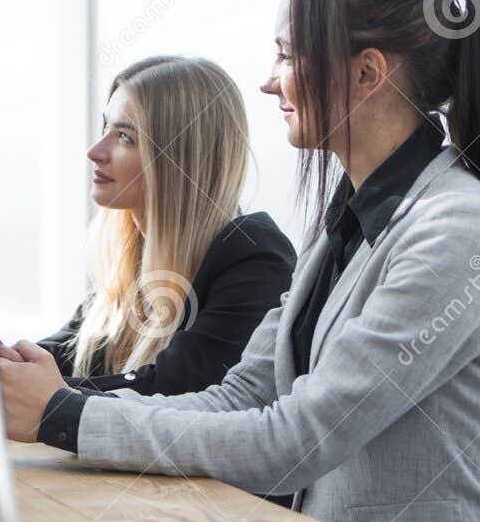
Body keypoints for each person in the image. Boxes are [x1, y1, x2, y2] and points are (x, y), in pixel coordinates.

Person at [0, 0, 480, 522]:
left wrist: (64, 416)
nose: (270, 80)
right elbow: (241, 397)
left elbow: (293, 442)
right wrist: (61, 405)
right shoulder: (348, 223)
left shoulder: (456, 229)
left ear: (367, 73)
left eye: (287, 54)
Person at [30, 56, 295, 397]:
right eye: (105, 129)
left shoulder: (254, 257)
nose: (95, 152)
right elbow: (54, 357)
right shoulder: (133, 259)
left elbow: (176, 389)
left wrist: (42, 393)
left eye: (125, 137)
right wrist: (1, 365)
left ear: (180, 157)